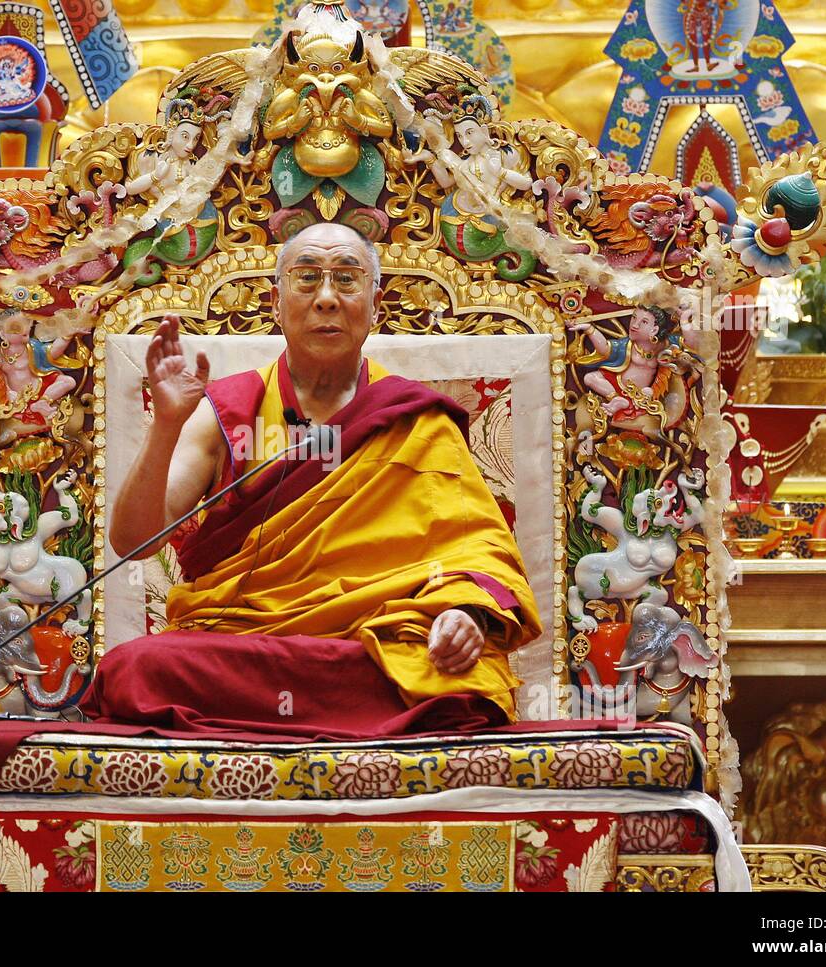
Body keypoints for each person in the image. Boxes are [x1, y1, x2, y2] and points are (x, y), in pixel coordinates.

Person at [84, 222, 541, 737]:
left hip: (367, 647)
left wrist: (464, 617)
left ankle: (258, 724)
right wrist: (166, 425)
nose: (326, 297)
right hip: (245, 645)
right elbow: (133, 542)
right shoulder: (231, 410)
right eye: (307, 278)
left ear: (376, 301)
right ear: (275, 300)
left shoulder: (414, 419)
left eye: (347, 279)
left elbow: (475, 550)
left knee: (462, 679)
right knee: (134, 669)